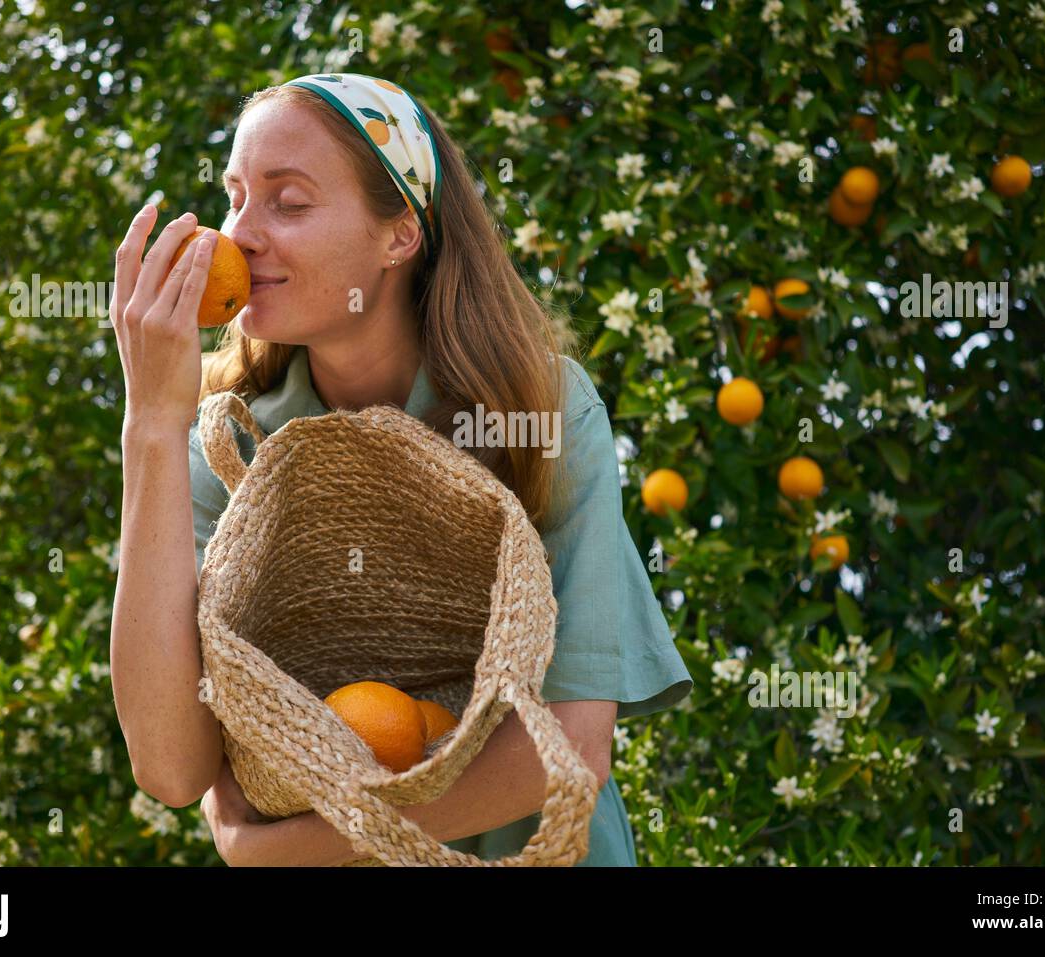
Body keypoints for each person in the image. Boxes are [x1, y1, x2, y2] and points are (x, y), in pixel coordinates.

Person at [109, 72, 692, 866]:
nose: (239, 233)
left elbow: (567, 753)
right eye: (236, 196)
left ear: (399, 235)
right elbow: (173, 766)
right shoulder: (227, 442)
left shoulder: (540, 410)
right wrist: (150, 422)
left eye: (289, 201)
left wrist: (273, 851)